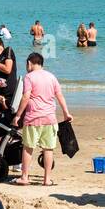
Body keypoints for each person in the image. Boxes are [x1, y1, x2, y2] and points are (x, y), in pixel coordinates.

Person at [14, 52, 70, 187]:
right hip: (50, 118)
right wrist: (66, 113)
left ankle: (24, 177)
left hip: (33, 118)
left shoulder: (29, 77)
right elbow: (60, 95)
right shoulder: (52, 77)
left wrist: (17, 115)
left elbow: (26, 97)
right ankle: (47, 179)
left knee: (28, 148)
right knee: (48, 149)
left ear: (29, 63)